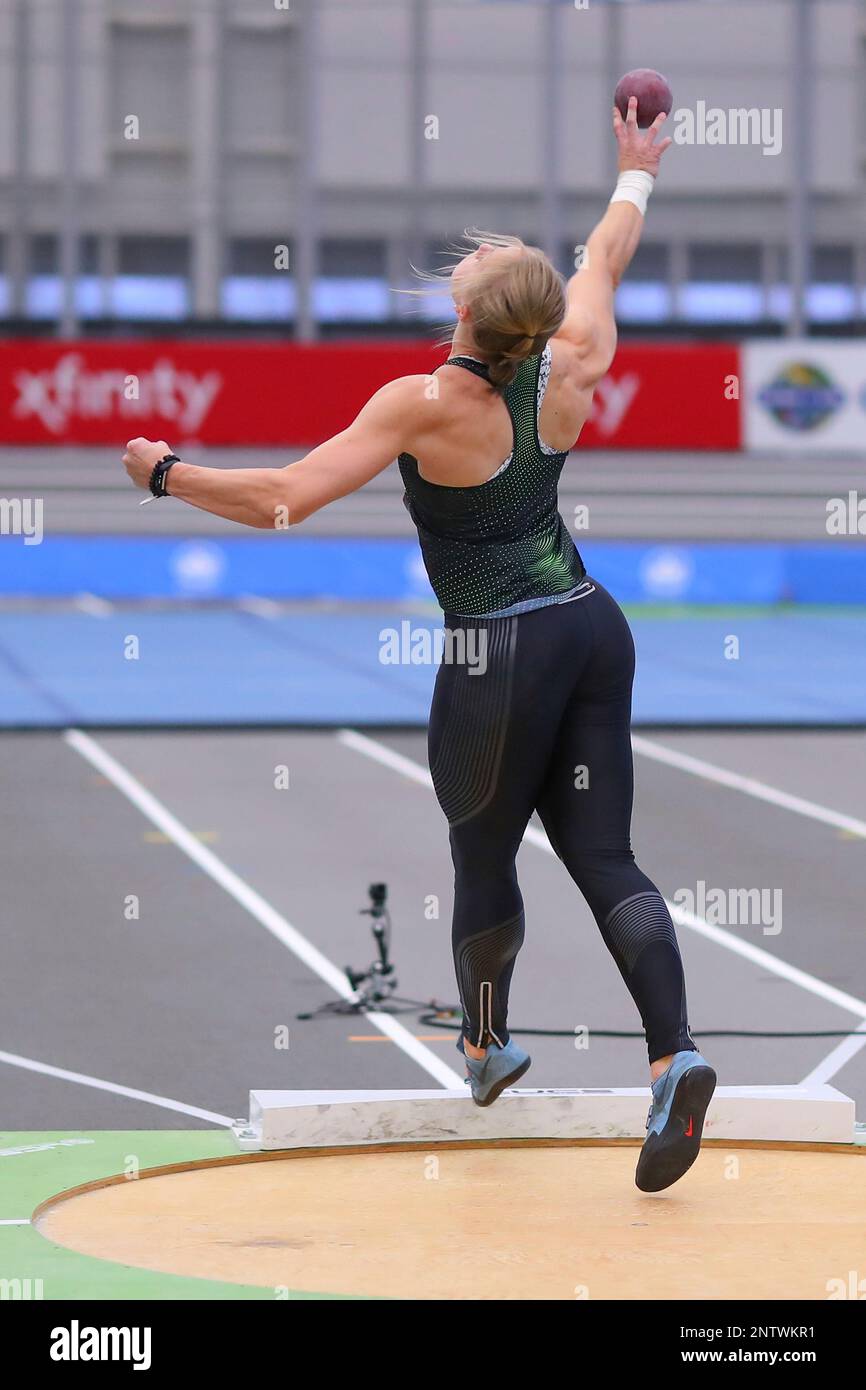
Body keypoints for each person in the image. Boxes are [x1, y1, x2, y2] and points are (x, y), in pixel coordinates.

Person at [122, 99, 715, 1192]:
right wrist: (637, 169)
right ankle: (674, 1050)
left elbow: (284, 498)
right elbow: (609, 253)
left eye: (494, 253)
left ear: (469, 304)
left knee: (481, 857)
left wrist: (167, 473)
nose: (489, 246)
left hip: (497, 656)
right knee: (604, 856)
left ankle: (487, 1043)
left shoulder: (422, 404)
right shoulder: (574, 353)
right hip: (590, 624)